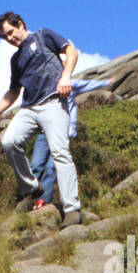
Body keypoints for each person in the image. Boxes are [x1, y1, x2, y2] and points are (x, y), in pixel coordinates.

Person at [0, 13, 82, 228]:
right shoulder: (16, 60)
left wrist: (65, 77)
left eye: (10, 32)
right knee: (9, 141)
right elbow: (14, 91)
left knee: (60, 153)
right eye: (4, 37)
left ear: (20, 24)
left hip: (53, 102)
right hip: (29, 108)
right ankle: (31, 189)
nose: (9, 38)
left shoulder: (43, 35)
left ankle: (72, 210)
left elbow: (71, 51)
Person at [28, 72, 112, 207]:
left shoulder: (71, 84)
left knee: (52, 167)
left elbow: (88, 84)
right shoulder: (43, 85)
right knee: (35, 166)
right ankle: (29, 198)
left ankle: (43, 200)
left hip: (63, 132)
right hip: (44, 132)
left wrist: (106, 82)